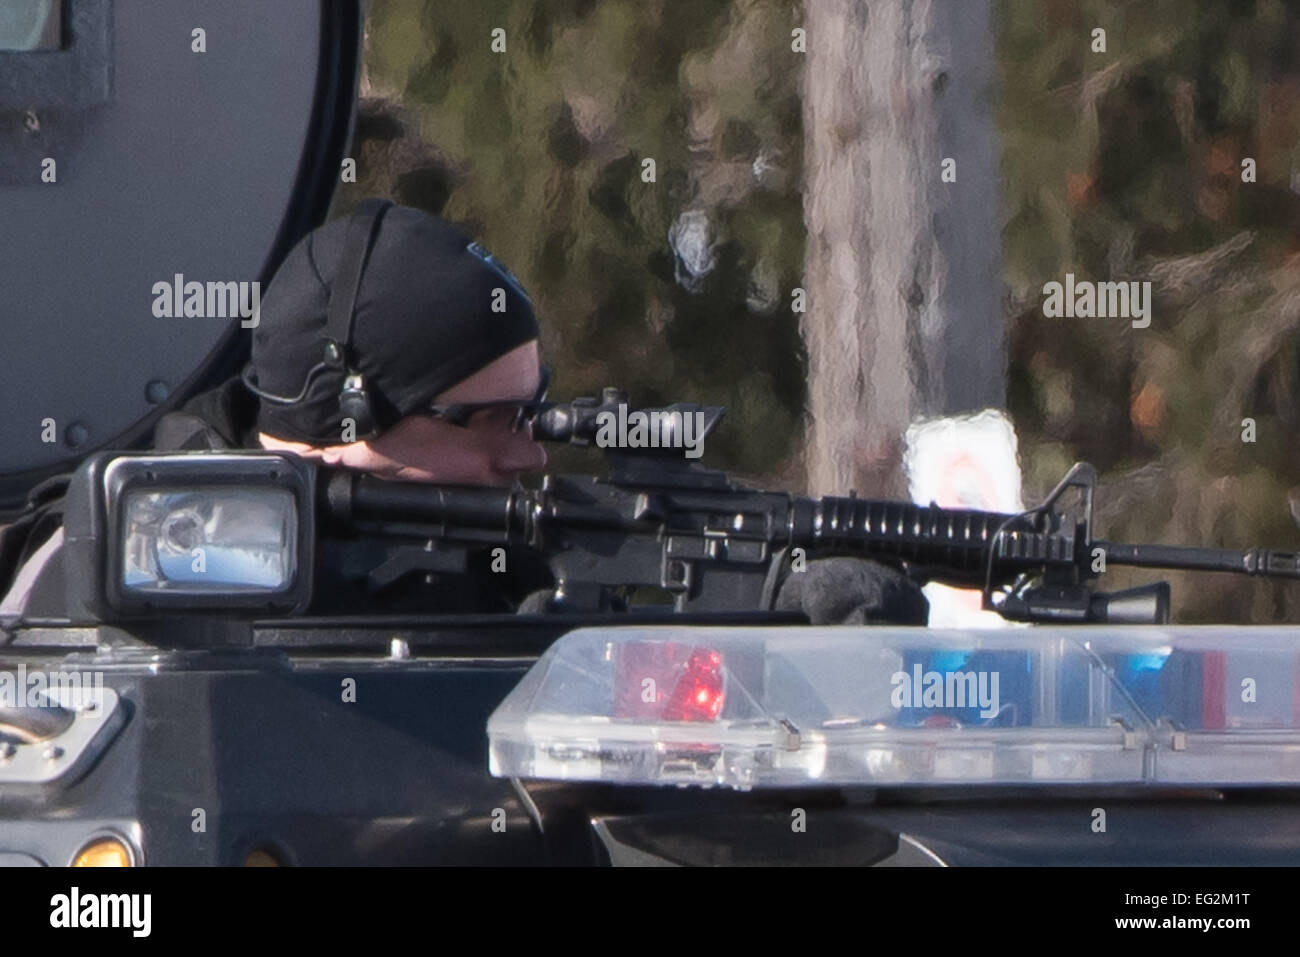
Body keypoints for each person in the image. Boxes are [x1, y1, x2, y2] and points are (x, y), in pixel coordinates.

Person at [2, 201, 557, 619]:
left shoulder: (507, 574)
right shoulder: (120, 552)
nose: (527, 454)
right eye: (490, 419)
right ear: (347, 415)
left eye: (531, 410)